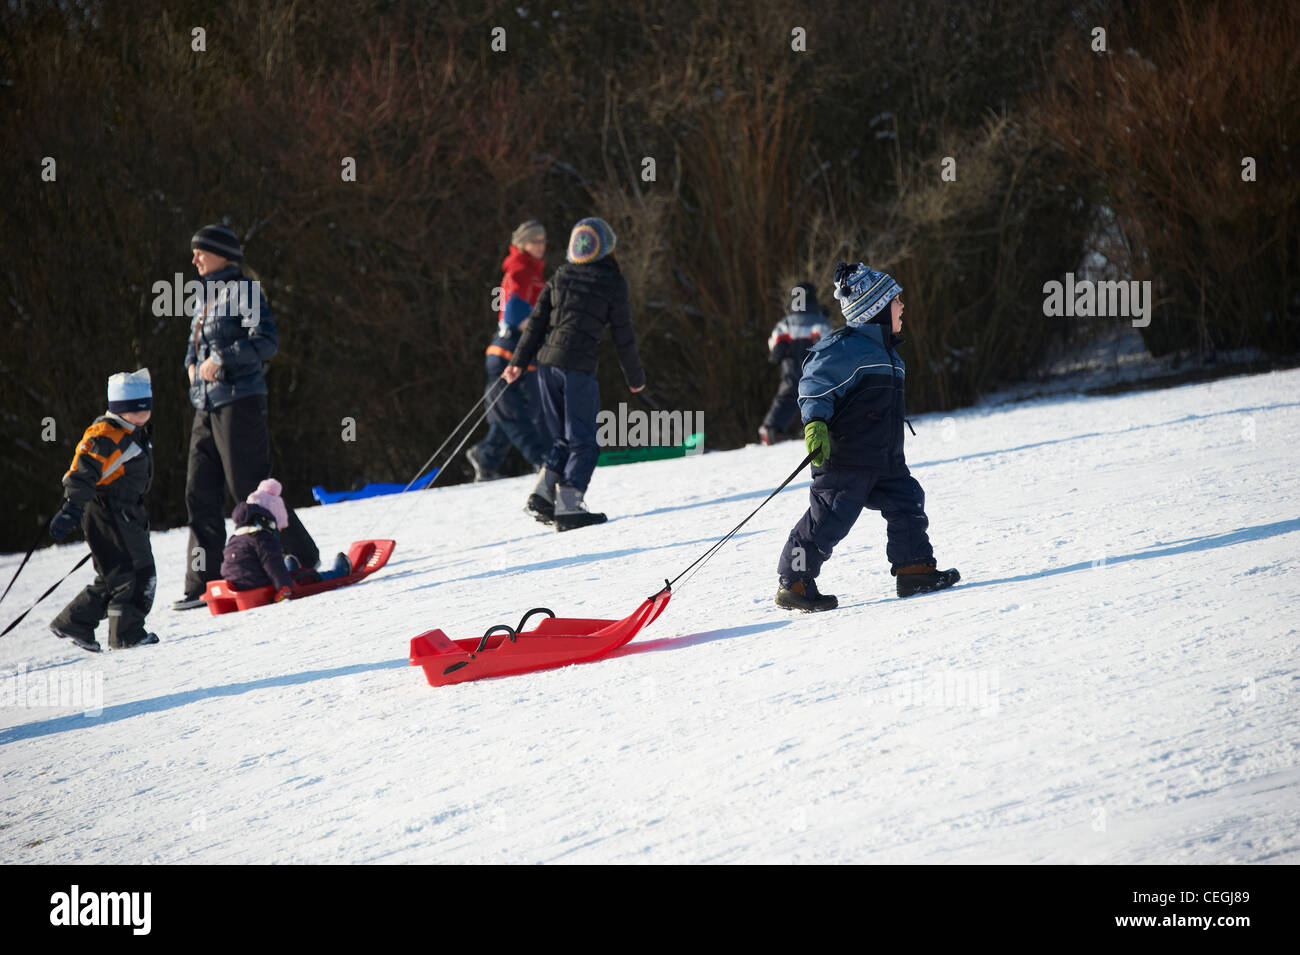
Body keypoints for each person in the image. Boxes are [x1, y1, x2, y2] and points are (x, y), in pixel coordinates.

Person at [775, 262, 960, 610]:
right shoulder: (844, 349)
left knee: (907, 501)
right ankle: (795, 581)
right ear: (875, 309)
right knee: (828, 520)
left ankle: (913, 567)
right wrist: (815, 424)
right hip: (848, 460)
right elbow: (814, 386)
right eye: (896, 301)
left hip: (886, 459)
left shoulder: (890, 355)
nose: (902, 306)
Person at [173, 224, 319, 610]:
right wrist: (191, 366)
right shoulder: (203, 297)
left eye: (200, 252)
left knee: (250, 489)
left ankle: (301, 558)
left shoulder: (243, 291)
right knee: (199, 491)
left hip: (241, 401)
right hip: (205, 405)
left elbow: (266, 341)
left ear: (222, 253)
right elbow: (194, 348)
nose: (194, 259)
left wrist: (222, 358)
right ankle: (203, 580)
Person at [503, 217, 646, 531]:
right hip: (577, 369)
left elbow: (537, 322)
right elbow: (624, 335)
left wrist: (517, 361)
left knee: (563, 437)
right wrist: (635, 378)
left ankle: (542, 495)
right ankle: (569, 506)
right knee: (585, 440)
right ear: (606, 248)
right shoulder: (612, 281)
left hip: (545, 366)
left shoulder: (561, 275)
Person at [48, 369, 159, 651]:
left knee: (120, 574)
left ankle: (76, 622)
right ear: (120, 409)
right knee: (133, 573)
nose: (144, 415)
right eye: (137, 410)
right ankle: (126, 634)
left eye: (147, 408)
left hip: (126, 512)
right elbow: (81, 471)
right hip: (108, 513)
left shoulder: (133, 431)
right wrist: (72, 508)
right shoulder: (106, 434)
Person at [466, 220, 553, 481]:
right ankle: (542, 461)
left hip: (513, 348)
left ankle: (487, 456)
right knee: (513, 409)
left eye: (543, 241)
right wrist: (538, 330)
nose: (541, 246)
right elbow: (515, 310)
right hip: (510, 349)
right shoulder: (522, 268)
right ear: (523, 244)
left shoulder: (530, 269)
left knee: (507, 406)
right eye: (535, 241)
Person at [220, 479, 350, 597]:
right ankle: (337, 573)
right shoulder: (262, 538)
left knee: (283, 571)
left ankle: (290, 569)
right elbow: (272, 565)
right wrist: (284, 587)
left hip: (239, 584)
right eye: (278, 527)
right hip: (259, 585)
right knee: (305, 577)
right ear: (269, 521)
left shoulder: (235, 538)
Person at [760, 282, 832, 445]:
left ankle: (771, 427)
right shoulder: (819, 320)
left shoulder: (786, 321)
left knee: (787, 393)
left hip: (790, 360)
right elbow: (826, 338)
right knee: (816, 393)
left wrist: (777, 348)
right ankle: (814, 424)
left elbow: (777, 337)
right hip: (813, 360)